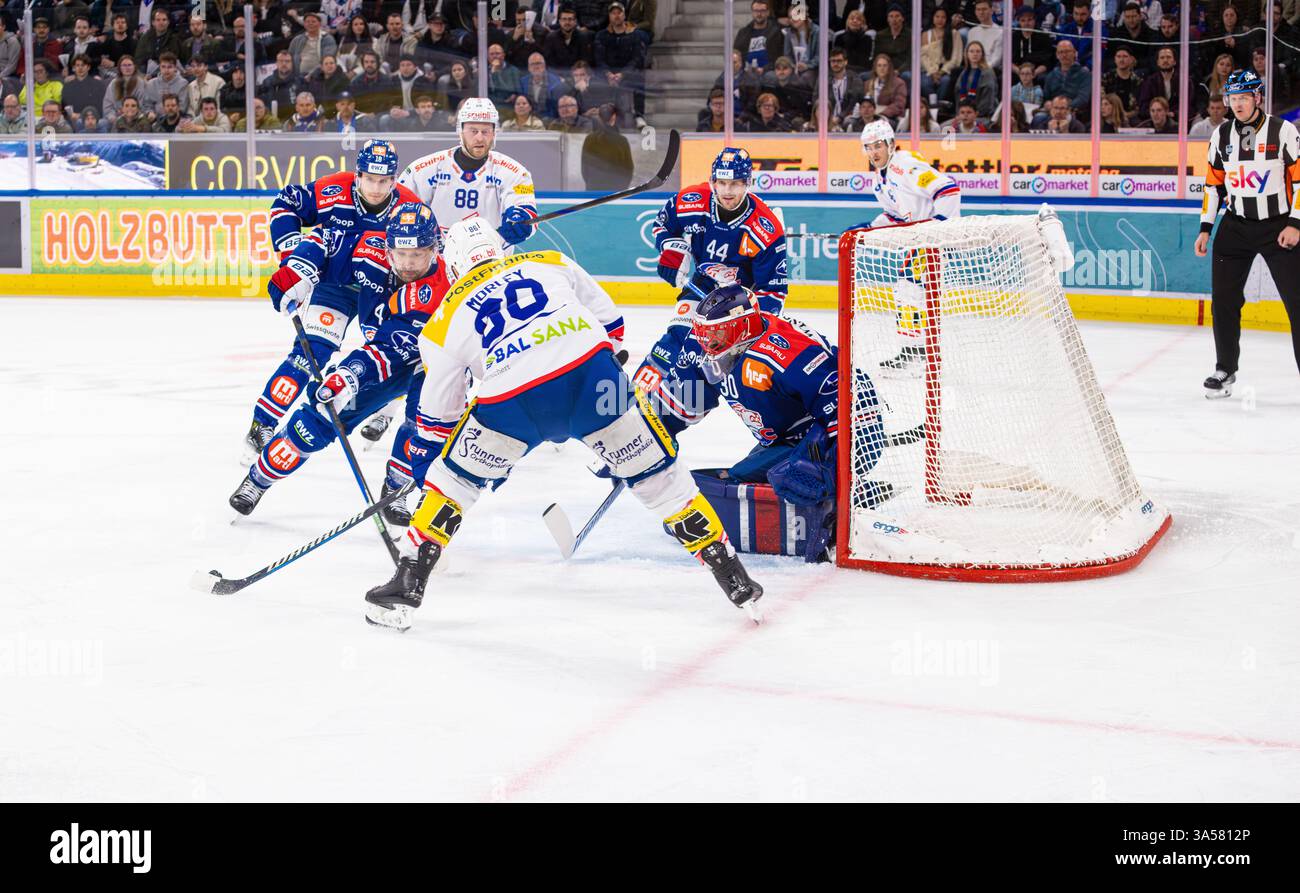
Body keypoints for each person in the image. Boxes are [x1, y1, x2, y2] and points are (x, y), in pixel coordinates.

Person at [362, 220, 763, 631]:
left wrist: (445, 461)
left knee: (454, 484)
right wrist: (607, 388)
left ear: (453, 264)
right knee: (661, 481)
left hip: (511, 400)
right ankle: (732, 574)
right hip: (592, 376)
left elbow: (436, 416)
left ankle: (408, 582)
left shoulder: (443, 316)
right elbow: (613, 326)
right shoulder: (549, 260)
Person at [231, 202, 451, 526]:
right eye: (399, 254)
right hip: (383, 356)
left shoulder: (444, 281)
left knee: (424, 421)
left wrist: (348, 375)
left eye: (416, 255)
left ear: (434, 249)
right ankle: (259, 478)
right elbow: (327, 242)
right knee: (317, 420)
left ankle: (397, 490)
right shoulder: (372, 254)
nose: (406, 264)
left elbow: (390, 348)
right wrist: (298, 271)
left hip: (440, 361)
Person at [243, 141, 421, 460]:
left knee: (390, 358)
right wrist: (292, 259)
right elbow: (287, 203)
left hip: (381, 293)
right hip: (334, 288)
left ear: (395, 179)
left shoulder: (409, 208)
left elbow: (427, 254)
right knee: (309, 355)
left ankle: (383, 409)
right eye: (370, 179)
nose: (377, 188)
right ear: (358, 175)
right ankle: (263, 422)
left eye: (385, 181)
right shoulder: (333, 189)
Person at [1194, 70, 1300, 396]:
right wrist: (1206, 228)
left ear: (1258, 97)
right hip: (1235, 227)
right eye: (1233, 98)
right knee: (1223, 302)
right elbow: (1214, 185)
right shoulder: (1221, 135)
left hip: (1279, 227)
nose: (1237, 104)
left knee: (1297, 303)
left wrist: (1295, 223)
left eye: (1244, 97)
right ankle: (1224, 369)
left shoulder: (1284, 131)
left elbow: (1299, 182)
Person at [849, 119, 961, 371]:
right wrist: (867, 227)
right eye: (868, 147)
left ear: (890, 144)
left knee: (909, 288)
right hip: (920, 241)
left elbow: (948, 190)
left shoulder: (906, 166)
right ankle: (915, 352)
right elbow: (895, 216)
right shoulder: (880, 178)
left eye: (877, 146)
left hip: (934, 240)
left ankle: (918, 355)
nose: (873, 152)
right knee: (907, 291)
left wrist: (939, 227)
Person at [398, 97, 540, 254]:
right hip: (438, 263)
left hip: (491, 264)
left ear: (494, 133)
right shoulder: (425, 168)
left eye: (485, 131)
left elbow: (526, 209)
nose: (479, 137)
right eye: (473, 131)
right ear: (460, 131)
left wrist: (521, 221)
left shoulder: (514, 172)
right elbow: (399, 207)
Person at [581, 102, 634, 189]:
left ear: (599, 117)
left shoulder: (590, 139)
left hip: (594, 190)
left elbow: (585, 171)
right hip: (616, 192)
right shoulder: (622, 141)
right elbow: (628, 170)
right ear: (614, 117)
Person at [920, 6, 963, 102]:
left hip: (945, 70)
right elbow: (923, 56)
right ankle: (931, 107)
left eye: (943, 17)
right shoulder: (926, 34)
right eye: (937, 16)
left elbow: (956, 58)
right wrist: (932, 72)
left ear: (947, 19)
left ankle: (939, 108)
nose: (940, 20)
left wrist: (941, 72)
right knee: (924, 83)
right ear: (933, 18)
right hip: (929, 70)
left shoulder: (954, 34)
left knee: (945, 81)